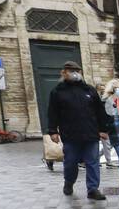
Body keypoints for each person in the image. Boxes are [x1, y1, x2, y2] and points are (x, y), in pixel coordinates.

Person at [46, 61, 111, 201]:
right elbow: (52, 113)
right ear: (64, 73)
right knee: (71, 162)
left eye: (77, 70)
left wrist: (103, 129)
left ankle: (93, 189)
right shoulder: (58, 91)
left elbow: (99, 111)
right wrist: (52, 131)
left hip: (91, 133)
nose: (75, 73)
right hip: (70, 135)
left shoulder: (89, 90)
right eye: (71, 70)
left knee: (92, 162)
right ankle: (69, 182)